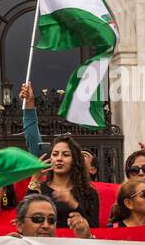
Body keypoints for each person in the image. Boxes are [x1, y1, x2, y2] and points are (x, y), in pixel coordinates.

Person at [19, 83, 101, 227]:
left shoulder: (89, 193)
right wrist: (34, 181)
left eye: (65, 154)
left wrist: (74, 204)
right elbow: (23, 223)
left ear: (75, 160)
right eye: (55, 154)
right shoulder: (40, 189)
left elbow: (95, 229)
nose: (59, 158)